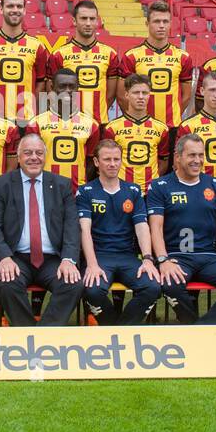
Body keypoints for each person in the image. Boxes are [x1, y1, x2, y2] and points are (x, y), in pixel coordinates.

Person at [146, 133, 216, 325]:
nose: (197, 161)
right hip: (176, 257)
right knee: (169, 283)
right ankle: (195, 328)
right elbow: (156, 227)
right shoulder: (159, 186)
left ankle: (203, 328)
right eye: (191, 155)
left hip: (208, 257)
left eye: (200, 155)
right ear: (177, 157)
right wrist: (163, 260)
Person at [0, 134, 82, 327]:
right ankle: (27, 332)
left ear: (45, 157)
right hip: (16, 257)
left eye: (38, 153)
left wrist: (69, 259)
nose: (33, 157)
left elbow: (72, 224)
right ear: (19, 157)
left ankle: (45, 334)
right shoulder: (1, 184)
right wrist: (4, 257)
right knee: (7, 284)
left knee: (72, 284)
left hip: (52, 258)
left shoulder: (62, 185)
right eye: (27, 153)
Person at [79, 139, 161, 325]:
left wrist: (148, 259)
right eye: (107, 159)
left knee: (152, 286)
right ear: (96, 162)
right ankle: (113, 327)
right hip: (99, 257)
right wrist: (91, 264)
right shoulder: (86, 192)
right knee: (92, 289)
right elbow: (84, 229)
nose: (112, 163)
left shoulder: (132, 191)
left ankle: (122, 329)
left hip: (127, 257)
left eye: (116, 159)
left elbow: (142, 226)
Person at [49, 0, 125, 124]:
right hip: (69, 122)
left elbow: (110, 95)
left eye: (92, 19)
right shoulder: (59, 54)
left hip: (99, 121)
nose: (88, 23)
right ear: (74, 21)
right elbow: (52, 93)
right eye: (83, 18)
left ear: (97, 21)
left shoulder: (110, 54)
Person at [121, 0, 194, 127]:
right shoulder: (132, 56)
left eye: (165, 21)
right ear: (147, 24)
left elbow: (186, 95)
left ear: (171, 24)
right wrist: (136, 118)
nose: (161, 25)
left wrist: (174, 116)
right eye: (156, 21)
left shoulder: (183, 57)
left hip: (172, 126)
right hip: (141, 126)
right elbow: (122, 95)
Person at [25, 68, 99, 189]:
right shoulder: (35, 123)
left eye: (72, 86)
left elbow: (91, 162)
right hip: (44, 192)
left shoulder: (92, 125)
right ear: (52, 87)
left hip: (77, 193)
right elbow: (30, 162)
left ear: (78, 88)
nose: (67, 91)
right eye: (62, 86)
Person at [100, 73, 170, 189]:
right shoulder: (112, 128)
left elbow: (163, 161)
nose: (141, 97)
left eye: (145, 93)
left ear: (149, 95)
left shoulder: (162, 128)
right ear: (127, 95)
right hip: (121, 190)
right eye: (136, 93)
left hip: (150, 192)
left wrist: (152, 182)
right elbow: (106, 162)